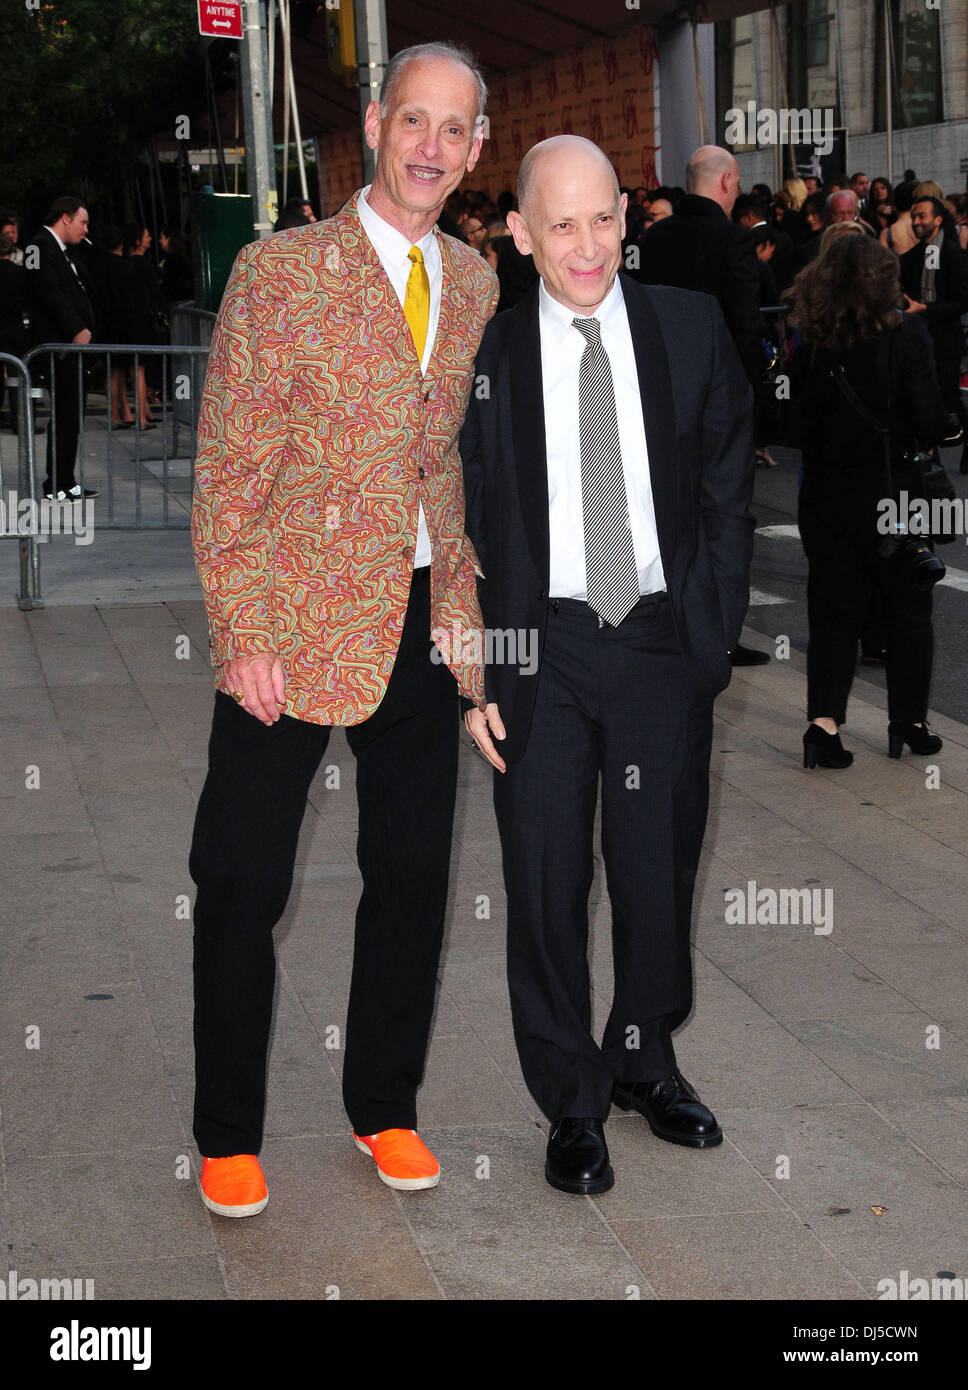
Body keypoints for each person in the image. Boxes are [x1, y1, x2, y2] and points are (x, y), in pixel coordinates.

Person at [189, 40, 497, 1218]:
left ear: (473, 148)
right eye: (412, 120)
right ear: (373, 124)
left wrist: (465, 624)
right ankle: (226, 1131)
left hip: (424, 619)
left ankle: (386, 1105)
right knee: (237, 875)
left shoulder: (472, 282)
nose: (429, 145)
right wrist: (243, 627)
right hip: (293, 614)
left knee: (412, 873)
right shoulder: (280, 271)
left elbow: (449, 465)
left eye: (453, 128)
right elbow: (228, 467)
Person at [460, 135, 754, 1195]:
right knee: (543, 881)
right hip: (539, 648)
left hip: (657, 642)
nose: (584, 246)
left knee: (652, 868)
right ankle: (570, 1097)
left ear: (623, 215)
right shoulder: (485, 358)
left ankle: (642, 1057)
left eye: (600, 219)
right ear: (520, 232)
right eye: (559, 224)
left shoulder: (686, 324)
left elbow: (726, 478)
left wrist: (707, 635)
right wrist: (476, 669)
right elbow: (454, 525)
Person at [785, 235, 948, 768]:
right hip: (896, 492)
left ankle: (823, 727)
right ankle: (908, 722)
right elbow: (928, 420)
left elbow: (793, 420)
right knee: (909, 611)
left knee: (834, 609)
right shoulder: (908, 335)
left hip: (826, 494)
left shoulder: (812, 340)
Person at [637, 144, 766, 667]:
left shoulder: (654, 237)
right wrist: (754, 400)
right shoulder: (733, 240)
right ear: (729, 181)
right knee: (721, 512)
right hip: (717, 405)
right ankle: (714, 626)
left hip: (650, 395)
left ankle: (658, 612)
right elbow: (745, 324)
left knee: (661, 506)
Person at [22, 196, 98, 500]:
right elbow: (47, 292)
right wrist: (76, 329)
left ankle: (65, 481)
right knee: (66, 417)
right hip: (59, 348)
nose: (86, 229)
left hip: (69, 349)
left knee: (71, 418)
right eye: (82, 222)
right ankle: (58, 484)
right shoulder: (37, 247)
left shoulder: (61, 250)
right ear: (65, 218)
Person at [900, 195, 968, 469]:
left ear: (938, 220)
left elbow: (961, 301)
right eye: (914, 216)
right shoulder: (911, 258)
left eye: (922, 216)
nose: (916, 221)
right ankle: (930, 452)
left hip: (945, 340)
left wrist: (925, 309)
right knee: (922, 395)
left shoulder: (952, 254)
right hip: (917, 338)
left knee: (949, 397)